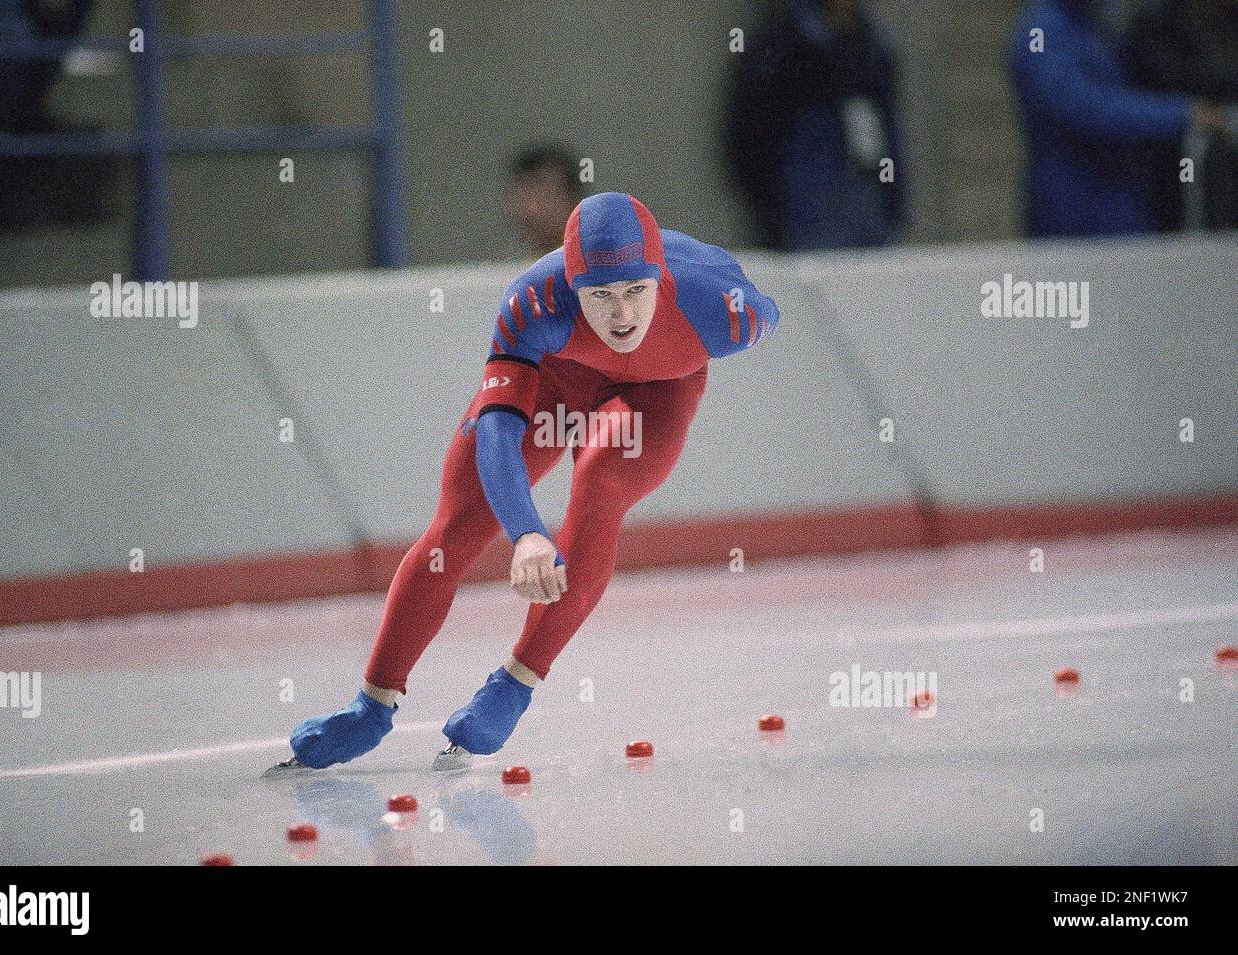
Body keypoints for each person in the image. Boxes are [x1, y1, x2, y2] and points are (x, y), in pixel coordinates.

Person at [274, 192, 780, 772]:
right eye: (600, 296)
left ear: (661, 276)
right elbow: (497, 430)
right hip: (557, 386)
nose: (621, 317)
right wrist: (525, 532)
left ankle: (516, 683)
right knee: (461, 522)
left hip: (657, 392)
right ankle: (372, 704)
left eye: (636, 292)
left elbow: (770, 312)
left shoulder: (724, 308)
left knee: (600, 482)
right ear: (570, 283)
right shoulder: (534, 300)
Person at [1007, 0, 1226, 237]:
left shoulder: (1095, 22)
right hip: (1074, 204)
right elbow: (1084, 107)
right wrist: (1180, 113)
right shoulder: (1041, 31)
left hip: (1121, 195)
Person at [724, 0, 906, 251]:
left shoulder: (872, 42)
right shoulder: (782, 43)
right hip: (807, 215)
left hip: (867, 210)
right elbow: (750, 134)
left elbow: (888, 130)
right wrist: (769, 212)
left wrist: (893, 200)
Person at [1122, 0, 1238, 230]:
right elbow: (1092, 105)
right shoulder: (1154, 26)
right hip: (1163, 175)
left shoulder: (1225, 25)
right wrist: (1185, 113)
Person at [507, 145, 585, 257]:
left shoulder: (598, 264)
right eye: (523, 197)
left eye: (543, 196)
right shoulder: (511, 266)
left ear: (573, 200)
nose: (529, 211)